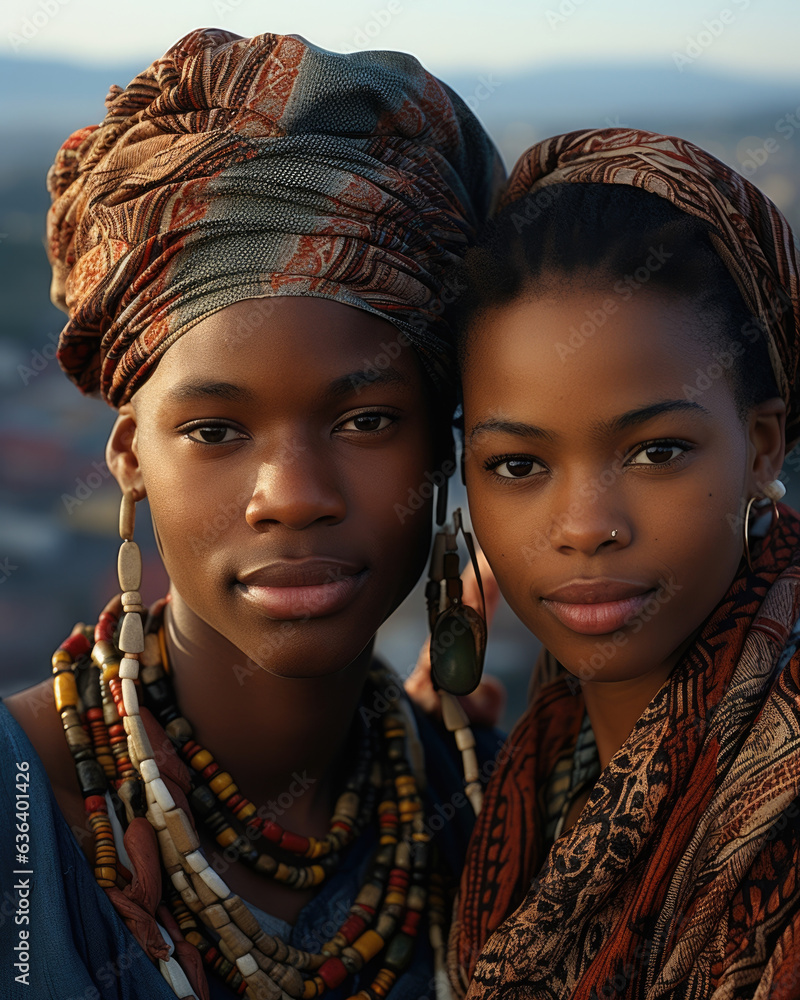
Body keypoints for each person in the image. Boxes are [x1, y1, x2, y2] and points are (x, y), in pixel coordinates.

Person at [0, 28, 505, 1000]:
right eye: (216, 430)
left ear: (443, 444)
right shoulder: (22, 813)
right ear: (129, 456)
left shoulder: (488, 800)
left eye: (365, 420)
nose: (294, 494)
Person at [447, 128, 800, 999]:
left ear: (761, 445)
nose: (585, 528)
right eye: (517, 465)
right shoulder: (536, 761)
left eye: (656, 452)